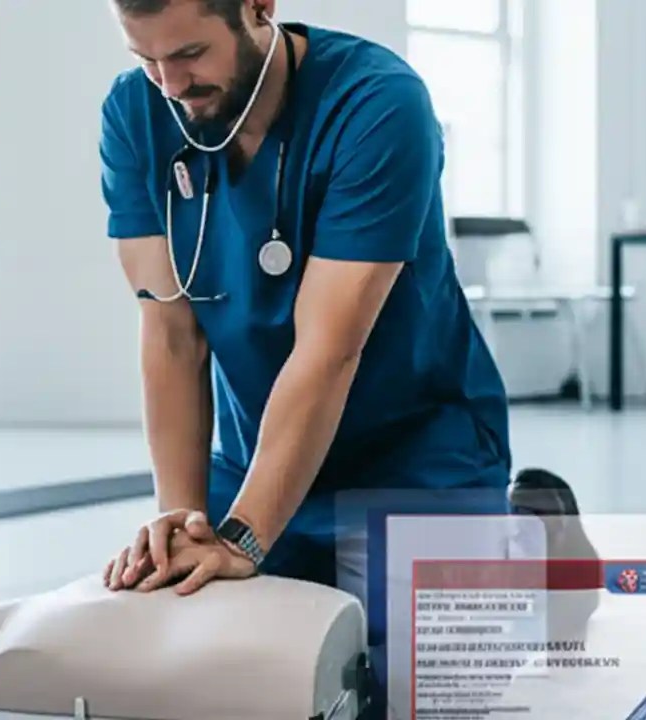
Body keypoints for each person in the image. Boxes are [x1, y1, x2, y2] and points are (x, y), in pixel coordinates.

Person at [96, 0, 525, 706]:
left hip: (413, 455)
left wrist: (244, 541)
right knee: (241, 682)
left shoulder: (378, 104)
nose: (169, 85)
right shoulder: (134, 112)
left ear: (259, 7)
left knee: (429, 694)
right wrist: (186, 525)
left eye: (191, 56)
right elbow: (171, 336)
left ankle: (532, 536)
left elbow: (330, 348)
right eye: (147, 60)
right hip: (260, 457)